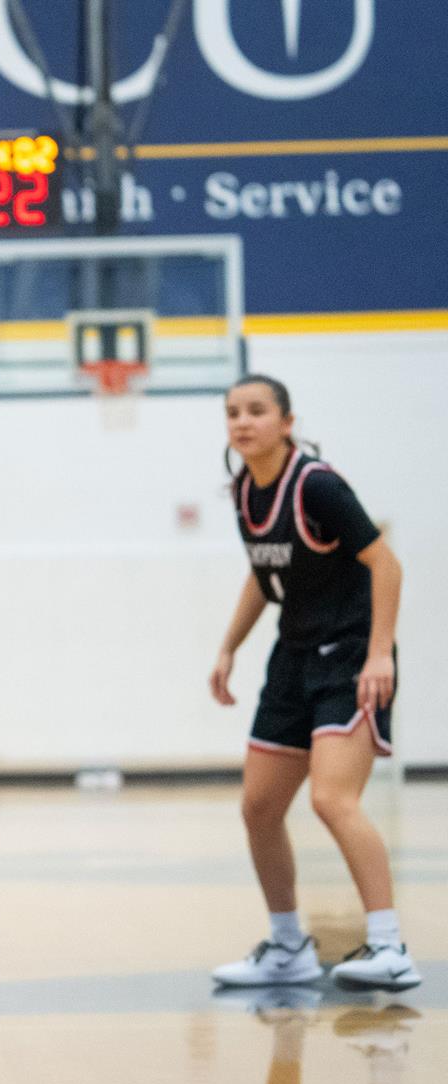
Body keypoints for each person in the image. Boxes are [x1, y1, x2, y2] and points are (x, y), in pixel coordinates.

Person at [208, 374, 416, 992]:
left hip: (350, 653)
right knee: (259, 806)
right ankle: (287, 946)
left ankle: (389, 946)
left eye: (256, 411)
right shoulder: (246, 488)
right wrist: (229, 646)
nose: (243, 422)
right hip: (293, 656)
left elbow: (385, 562)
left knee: (332, 799)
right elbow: (263, 571)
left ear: (287, 421)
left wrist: (380, 655)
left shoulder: (316, 486)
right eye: (232, 413)